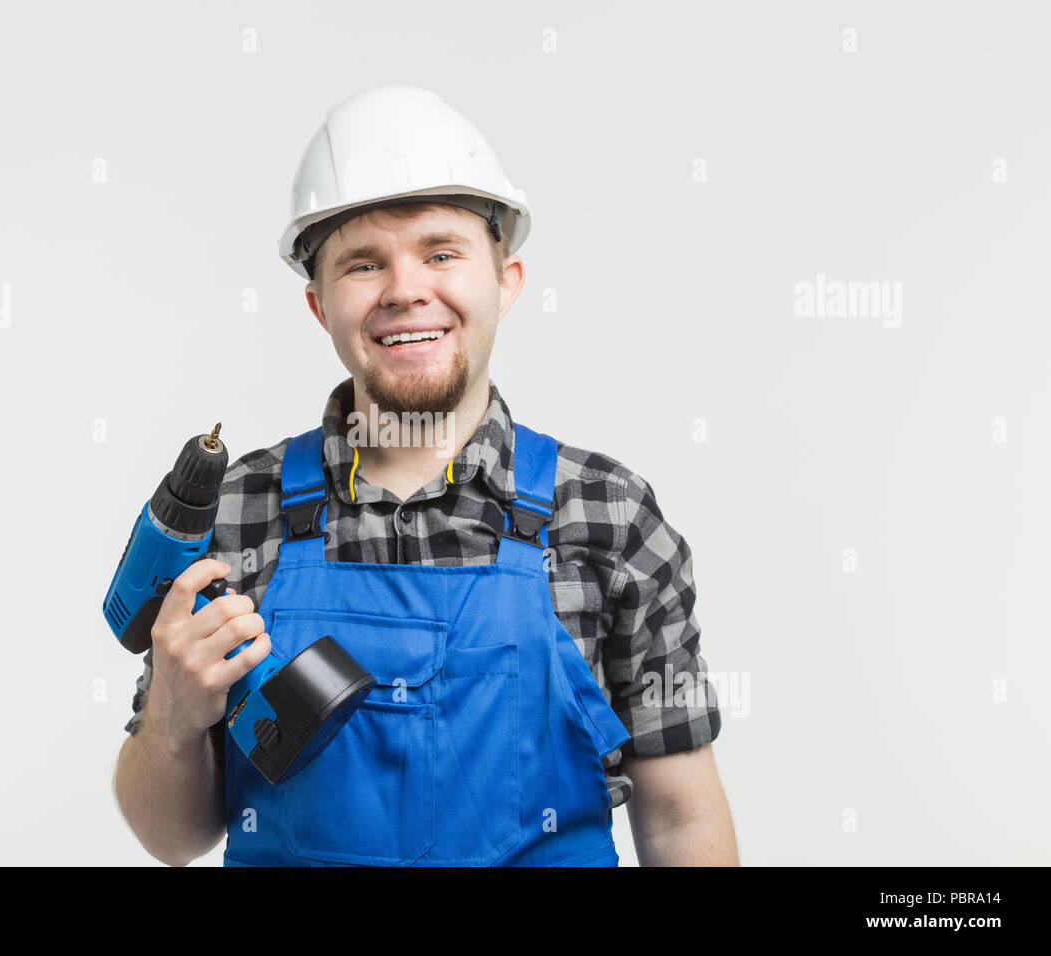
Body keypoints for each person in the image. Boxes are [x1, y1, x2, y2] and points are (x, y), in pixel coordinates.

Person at [113, 84, 738, 866]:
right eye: (363, 263)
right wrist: (173, 715)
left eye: (441, 252)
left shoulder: (609, 516)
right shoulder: (236, 511)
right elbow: (174, 840)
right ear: (319, 305)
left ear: (504, 280)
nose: (406, 289)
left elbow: (682, 820)